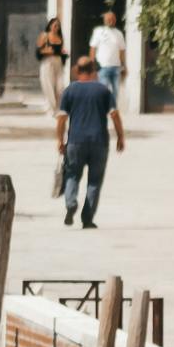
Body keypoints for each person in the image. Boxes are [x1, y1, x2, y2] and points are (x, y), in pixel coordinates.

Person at [53, 35, 120, 231]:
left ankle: (71, 203)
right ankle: (87, 218)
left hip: (75, 142)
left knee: (72, 175)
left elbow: (61, 119)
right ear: (94, 71)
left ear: (76, 71)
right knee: (95, 181)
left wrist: (60, 140)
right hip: (100, 142)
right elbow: (115, 115)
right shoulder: (103, 91)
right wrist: (121, 137)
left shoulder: (69, 91)